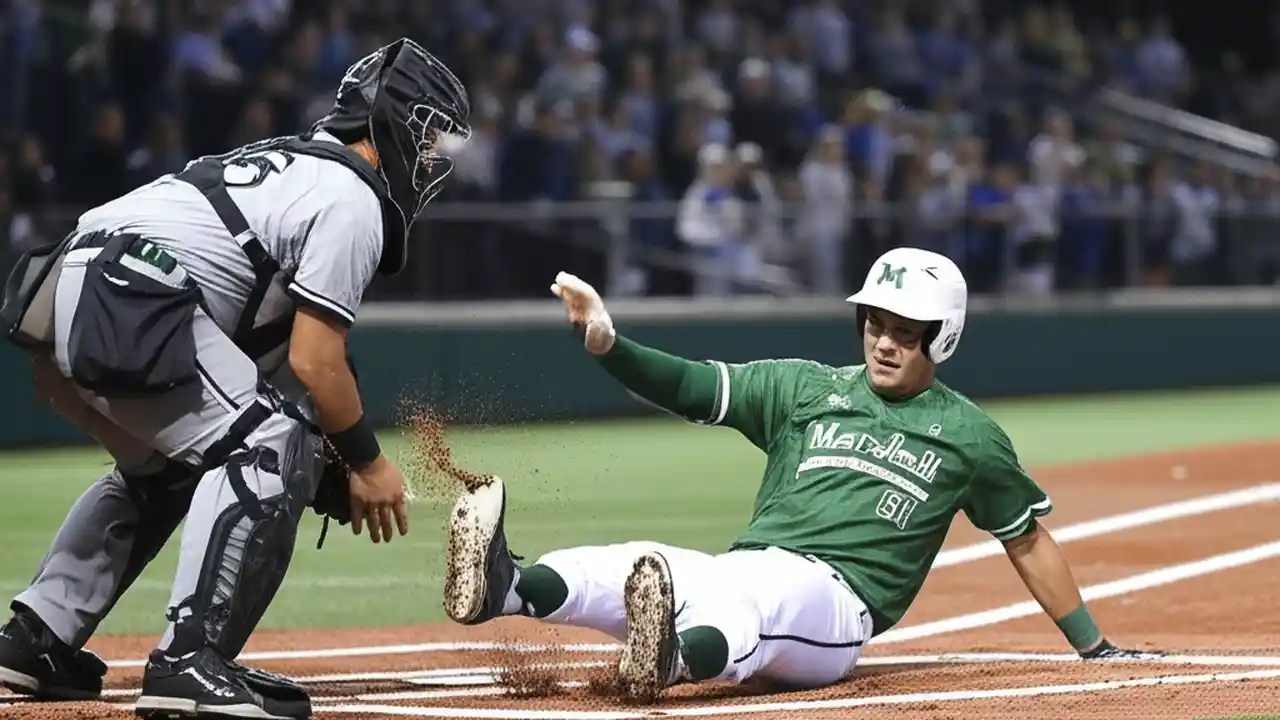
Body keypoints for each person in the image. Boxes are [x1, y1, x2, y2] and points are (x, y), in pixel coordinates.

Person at [442, 247, 1156, 703]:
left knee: (757, 602)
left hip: (837, 605)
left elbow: (1025, 539)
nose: (883, 340)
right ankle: (506, 585)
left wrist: (1093, 643)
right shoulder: (805, 387)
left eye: (904, 330)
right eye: (875, 323)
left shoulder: (971, 436)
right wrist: (609, 345)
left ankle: (673, 662)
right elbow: (693, 386)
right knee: (631, 562)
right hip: (747, 563)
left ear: (943, 339)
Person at [0, 38, 470, 719]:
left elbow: (283, 359)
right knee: (274, 442)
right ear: (391, 123)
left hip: (66, 285)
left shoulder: (288, 166)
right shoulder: (352, 196)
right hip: (134, 291)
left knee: (165, 471)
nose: (430, 161)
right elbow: (315, 359)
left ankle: (34, 640)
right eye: (428, 140)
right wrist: (365, 463)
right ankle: (191, 661)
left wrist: (329, 452)